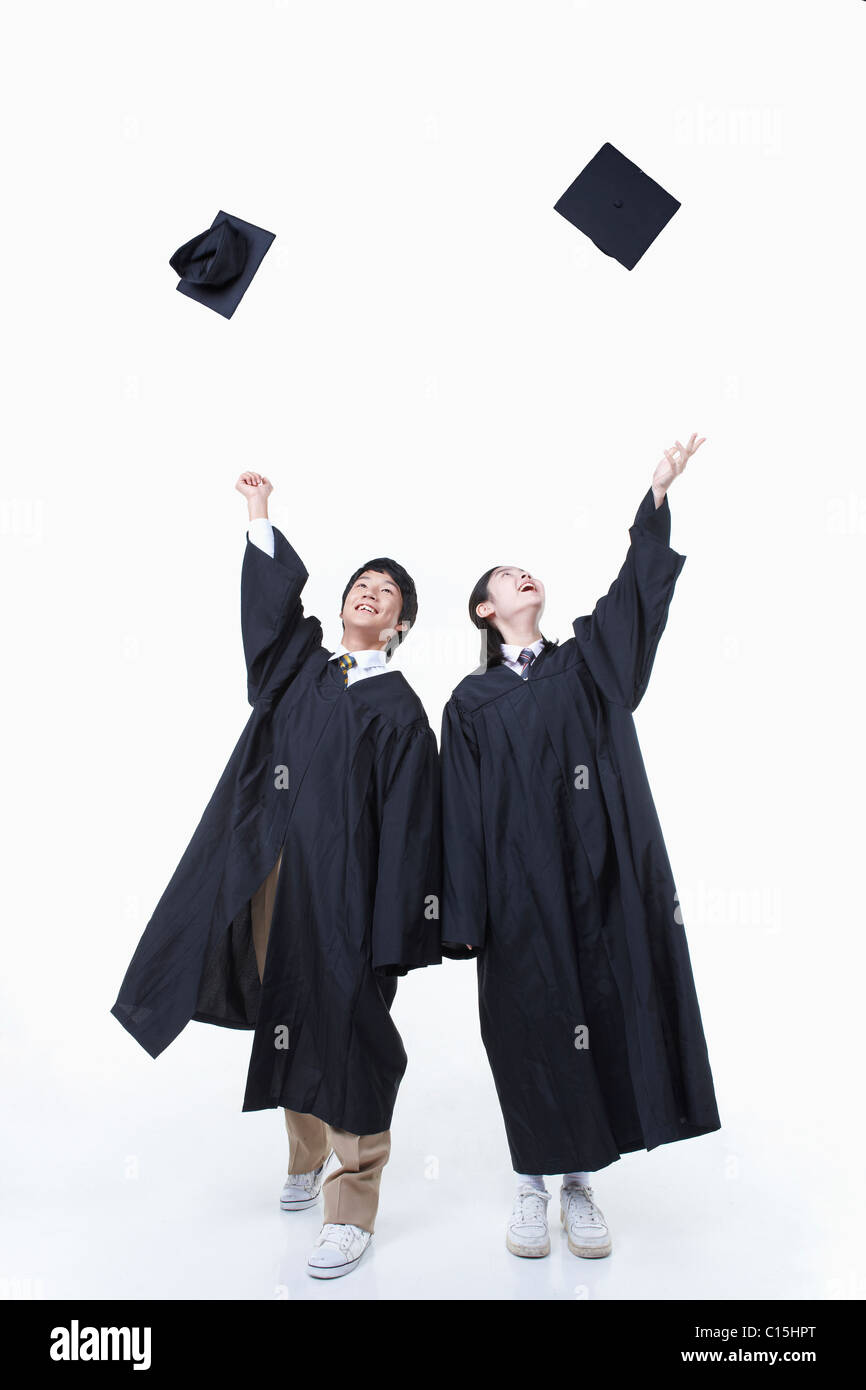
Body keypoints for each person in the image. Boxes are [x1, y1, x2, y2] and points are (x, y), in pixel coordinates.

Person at [112, 472, 441, 1279]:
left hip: (347, 896)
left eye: (388, 592)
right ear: (342, 608)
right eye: (362, 584)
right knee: (288, 1011)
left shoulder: (400, 710)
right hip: (267, 872)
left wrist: (392, 929)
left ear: (400, 624)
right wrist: (260, 517)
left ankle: (352, 1202)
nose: (372, 593)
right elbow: (267, 619)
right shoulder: (299, 668)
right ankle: (305, 1155)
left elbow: (410, 829)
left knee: (348, 1029)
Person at [439, 434, 720, 1261]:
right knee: (527, 1025)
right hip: (516, 894)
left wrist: (657, 497)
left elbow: (636, 599)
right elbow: (456, 810)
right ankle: (532, 1181)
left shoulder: (589, 663)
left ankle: (580, 1183)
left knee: (597, 1008)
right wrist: (464, 914)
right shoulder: (470, 702)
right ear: (486, 611)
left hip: (598, 879)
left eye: (526, 569)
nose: (520, 575)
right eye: (502, 576)